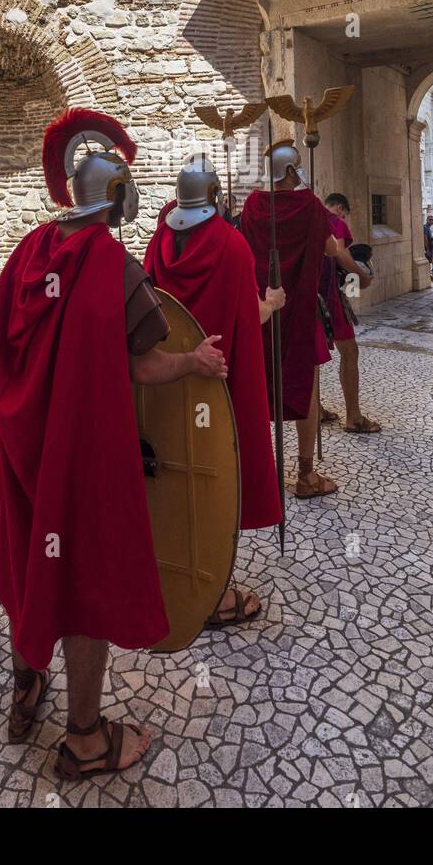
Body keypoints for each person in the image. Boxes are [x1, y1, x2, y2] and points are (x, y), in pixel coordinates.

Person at [0, 109, 227, 779]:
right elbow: (141, 364)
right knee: (82, 578)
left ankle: (25, 687)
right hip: (81, 451)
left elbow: (3, 337)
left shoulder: (29, 250)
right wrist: (195, 364)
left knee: (34, 563)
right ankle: (87, 740)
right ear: (116, 194)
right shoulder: (108, 262)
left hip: (22, 444)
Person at [145, 154, 285, 626]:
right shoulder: (232, 245)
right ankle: (212, 594)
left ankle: (168, 578)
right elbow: (244, 323)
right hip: (218, 391)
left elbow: (152, 315)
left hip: (167, 383)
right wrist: (271, 304)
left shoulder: (158, 240)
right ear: (214, 196)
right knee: (214, 481)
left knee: (172, 475)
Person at [241, 140, 369, 499]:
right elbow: (331, 248)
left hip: (263, 312)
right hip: (300, 313)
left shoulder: (251, 204)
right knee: (305, 389)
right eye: (296, 168)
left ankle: (258, 469)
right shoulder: (309, 206)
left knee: (261, 384)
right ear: (291, 172)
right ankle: (306, 474)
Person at [320, 192, 378, 434]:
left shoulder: (305, 219)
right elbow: (341, 255)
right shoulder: (335, 223)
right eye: (343, 210)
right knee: (350, 351)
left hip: (304, 295)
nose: (342, 214)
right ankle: (353, 417)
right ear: (338, 208)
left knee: (312, 355)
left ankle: (314, 411)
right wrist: (363, 277)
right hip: (330, 296)